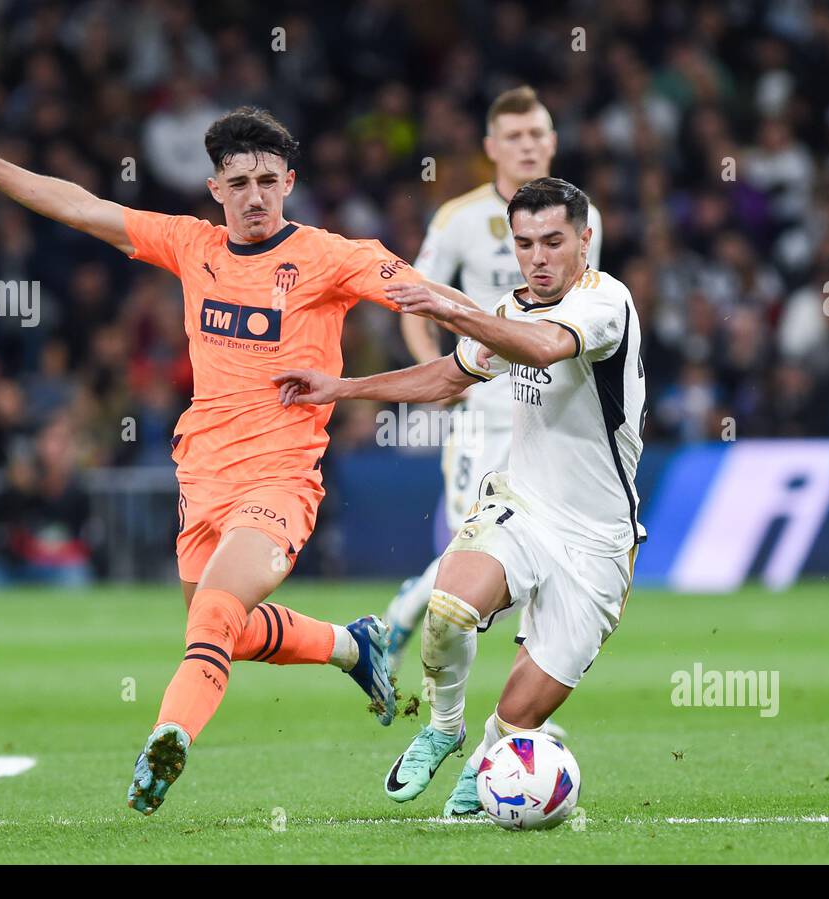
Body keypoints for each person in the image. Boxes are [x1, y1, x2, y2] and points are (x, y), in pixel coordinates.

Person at [0, 94, 475, 815]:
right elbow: (80, 206)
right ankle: (355, 646)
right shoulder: (193, 246)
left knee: (212, 619)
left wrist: (517, 329)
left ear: (289, 183)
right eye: (239, 183)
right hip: (202, 480)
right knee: (228, 629)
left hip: (280, 482)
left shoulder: (330, 257)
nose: (254, 196)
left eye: (268, 181)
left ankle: (169, 736)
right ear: (215, 189)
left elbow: (423, 293)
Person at [275, 178, 643, 817]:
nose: (539, 258)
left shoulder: (604, 302)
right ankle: (444, 725)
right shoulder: (511, 308)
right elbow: (448, 378)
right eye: (525, 243)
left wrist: (452, 308)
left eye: (555, 241)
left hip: (597, 542)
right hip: (522, 505)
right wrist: (341, 388)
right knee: (448, 605)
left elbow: (544, 346)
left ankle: (486, 760)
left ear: (585, 241)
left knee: (519, 717)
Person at [384, 86, 602, 679]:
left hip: (550, 410)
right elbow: (416, 297)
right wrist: (441, 368)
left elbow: (582, 314)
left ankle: (525, 695)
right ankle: (404, 631)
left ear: (553, 141)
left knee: (542, 544)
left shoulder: (584, 218)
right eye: (514, 137)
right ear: (490, 147)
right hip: (483, 405)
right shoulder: (458, 218)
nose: (528, 146)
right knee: (472, 549)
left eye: (537, 134)